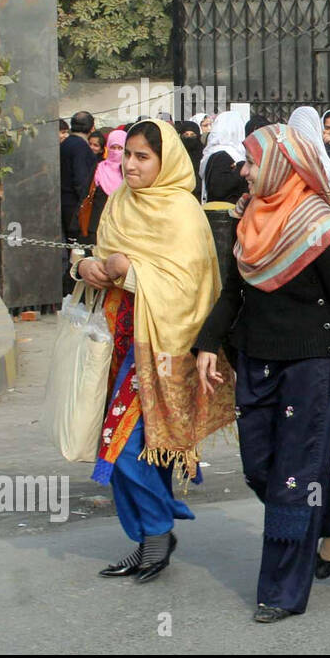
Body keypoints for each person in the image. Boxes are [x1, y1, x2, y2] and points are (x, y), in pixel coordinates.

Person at [195, 121, 330, 622]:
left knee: (292, 479)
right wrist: (208, 343)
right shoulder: (247, 219)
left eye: (253, 162)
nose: (244, 170)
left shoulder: (319, 228)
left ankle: (280, 591)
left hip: (312, 366)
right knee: (260, 468)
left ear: (281, 166)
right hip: (256, 360)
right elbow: (233, 293)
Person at [72, 119, 236, 583]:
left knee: (123, 447)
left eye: (143, 157)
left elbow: (192, 289)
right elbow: (99, 254)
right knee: (146, 449)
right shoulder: (121, 201)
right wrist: (87, 266)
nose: (131, 164)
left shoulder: (183, 212)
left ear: (166, 162)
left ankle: (158, 532)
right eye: (128, 155)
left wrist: (130, 273)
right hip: (117, 339)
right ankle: (150, 540)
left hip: (161, 347)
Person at [60, 111, 101, 292]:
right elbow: (81, 180)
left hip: (63, 200)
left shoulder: (65, 144)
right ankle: (71, 286)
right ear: (92, 128)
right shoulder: (81, 148)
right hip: (74, 205)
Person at [71, 129, 127, 247]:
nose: (116, 152)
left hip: (122, 228)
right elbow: (86, 194)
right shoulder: (99, 169)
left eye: (120, 148)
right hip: (96, 227)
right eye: (113, 147)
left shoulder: (129, 172)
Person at [199, 111, 248, 205]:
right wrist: (240, 167)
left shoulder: (213, 151)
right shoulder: (223, 155)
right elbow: (219, 188)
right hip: (225, 212)